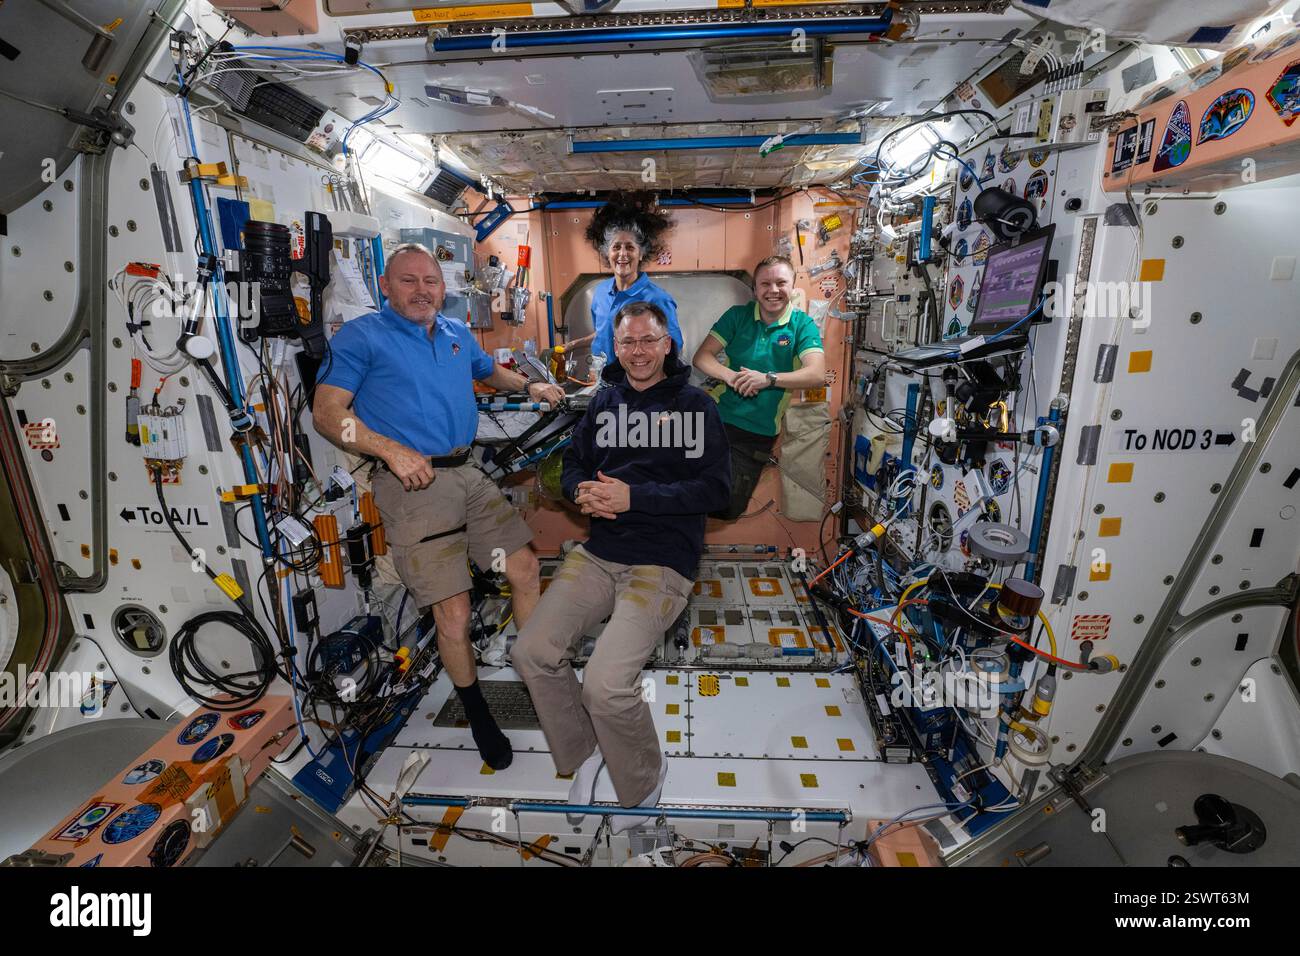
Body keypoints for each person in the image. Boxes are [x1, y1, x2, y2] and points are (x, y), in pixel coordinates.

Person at [312, 243, 564, 770]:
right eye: (409, 281)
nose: (422, 290)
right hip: (413, 486)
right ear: (385, 286)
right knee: (453, 609)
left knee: (523, 568)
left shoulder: (454, 334)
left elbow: (487, 373)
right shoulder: (361, 337)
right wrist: (390, 449)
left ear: (442, 287)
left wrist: (531, 385)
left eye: (430, 281)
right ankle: (478, 714)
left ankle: (538, 678)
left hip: (466, 472)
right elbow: (327, 415)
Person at [511, 301, 730, 832]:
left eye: (648, 341)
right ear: (617, 347)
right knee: (532, 652)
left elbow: (719, 491)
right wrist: (578, 490)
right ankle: (586, 752)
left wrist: (637, 498)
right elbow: (576, 463)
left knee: (605, 685)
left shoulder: (696, 407)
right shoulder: (604, 402)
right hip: (600, 553)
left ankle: (644, 777)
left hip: (662, 560)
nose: (638, 352)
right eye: (628, 342)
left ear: (668, 344)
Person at [692, 255, 826, 520]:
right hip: (715, 418)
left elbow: (817, 374)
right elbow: (701, 357)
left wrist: (769, 379)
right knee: (682, 487)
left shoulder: (802, 325)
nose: (773, 290)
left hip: (755, 433)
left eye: (781, 282)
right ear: (754, 289)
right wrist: (730, 377)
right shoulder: (737, 316)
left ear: (792, 285)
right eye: (765, 283)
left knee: (726, 506)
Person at [565, 192, 683, 368]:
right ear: (607, 252)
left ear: (641, 253)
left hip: (638, 384)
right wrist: (573, 345)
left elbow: (673, 347)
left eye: (630, 247)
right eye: (616, 247)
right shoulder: (600, 293)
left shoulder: (658, 299)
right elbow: (603, 332)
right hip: (602, 380)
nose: (622, 254)